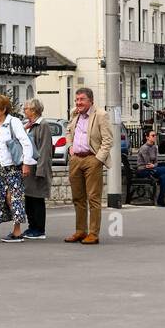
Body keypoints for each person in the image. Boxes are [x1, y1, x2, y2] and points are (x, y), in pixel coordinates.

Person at [0, 94, 34, 244]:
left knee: (14, 198)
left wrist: (26, 163)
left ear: (3, 109)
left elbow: (26, 142)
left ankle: (17, 233)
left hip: (12, 166)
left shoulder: (13, 122)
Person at [65, 87, 113, 245]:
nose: (78, 103)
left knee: (93, 198)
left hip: (92, 158)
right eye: (77, 100)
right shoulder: (74, 113)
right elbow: (68, 131)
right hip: (76, 159)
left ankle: (93, 233)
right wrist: (70, 148)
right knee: (78, 198)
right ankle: (80, 231)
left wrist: (98, 159)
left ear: (90, 101)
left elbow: (108, 140)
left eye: (82, 100)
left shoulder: (101, 115)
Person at [22, 98, 53, 239]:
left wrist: (41, 170)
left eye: (26, 109)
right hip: (29, 168)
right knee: (29, 199)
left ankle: (39, 229)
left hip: (38, 169)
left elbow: (45, 149)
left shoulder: (43, 125)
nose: (24, 111)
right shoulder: (29, 125)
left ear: (34, 110)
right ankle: (31, 227)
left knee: (37, 199)